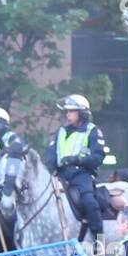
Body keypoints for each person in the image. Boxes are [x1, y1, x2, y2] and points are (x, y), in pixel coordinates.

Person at [45, 94, 108, 244]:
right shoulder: (61, 132)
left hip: (81, 175)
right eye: (67, 111)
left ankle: (99, 240)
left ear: (82, 113)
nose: (68, 114)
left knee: (89, 202)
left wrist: (78, 160)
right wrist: (50, 167)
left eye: (71, 111)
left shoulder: (92, 131)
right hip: (60, 175)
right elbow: (51, 154)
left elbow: (98, 157)